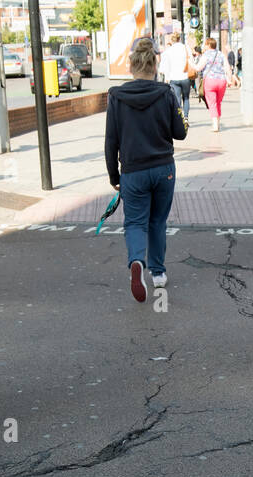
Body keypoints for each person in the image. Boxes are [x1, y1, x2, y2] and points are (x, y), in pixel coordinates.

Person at [106, 36, 188, 301]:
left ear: (131, 67)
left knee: (135, 222)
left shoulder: (116, 96)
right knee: (157, 221)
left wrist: (114, 176)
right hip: (163, 168)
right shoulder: (166, 93)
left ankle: (136, 263)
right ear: (155, 65)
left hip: (133, 171)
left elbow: (111, 140)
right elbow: (180, 133)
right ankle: (159, 273)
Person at [193, 37, 232, 132]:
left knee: (212, 103)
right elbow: (227, 68)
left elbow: (198, 68)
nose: (204, 46)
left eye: (205, 44)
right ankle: (217, 123)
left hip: (210, 81)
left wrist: (191, 63)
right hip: (222, 81)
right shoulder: (221, 54)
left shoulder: (205, 55)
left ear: (209, 45)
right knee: (218, 103)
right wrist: (229, 80)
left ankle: (215, 126)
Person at [161, 31, 191, 119]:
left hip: (173, 77)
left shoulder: (169, 50)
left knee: (177, 99)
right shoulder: (186, 48)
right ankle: (186, 117)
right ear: (180, 39)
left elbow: (166, 65)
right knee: (186, 98)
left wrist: (167, 78)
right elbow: (191, 61)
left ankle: (179, 118)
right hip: (185, 76)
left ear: (172, 40)